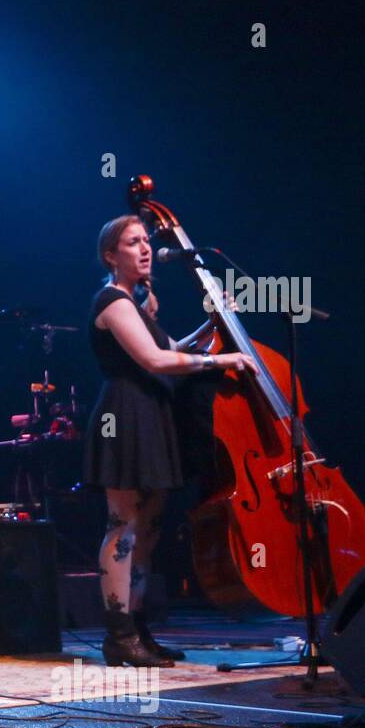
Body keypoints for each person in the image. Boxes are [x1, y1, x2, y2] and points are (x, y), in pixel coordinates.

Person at [82, 214, 257, 667]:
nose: (144, 249)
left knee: (150, 530)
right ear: (110, 255)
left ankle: (138, 629)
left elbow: (175, 347)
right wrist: (222, 362)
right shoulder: (112, 302)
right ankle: (118, 635)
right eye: (132, 242)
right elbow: (156, 360)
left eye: (145, 241)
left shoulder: (136, 305)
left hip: (151, 415)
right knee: (123, 525)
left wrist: (215, 326)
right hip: (125, 416)